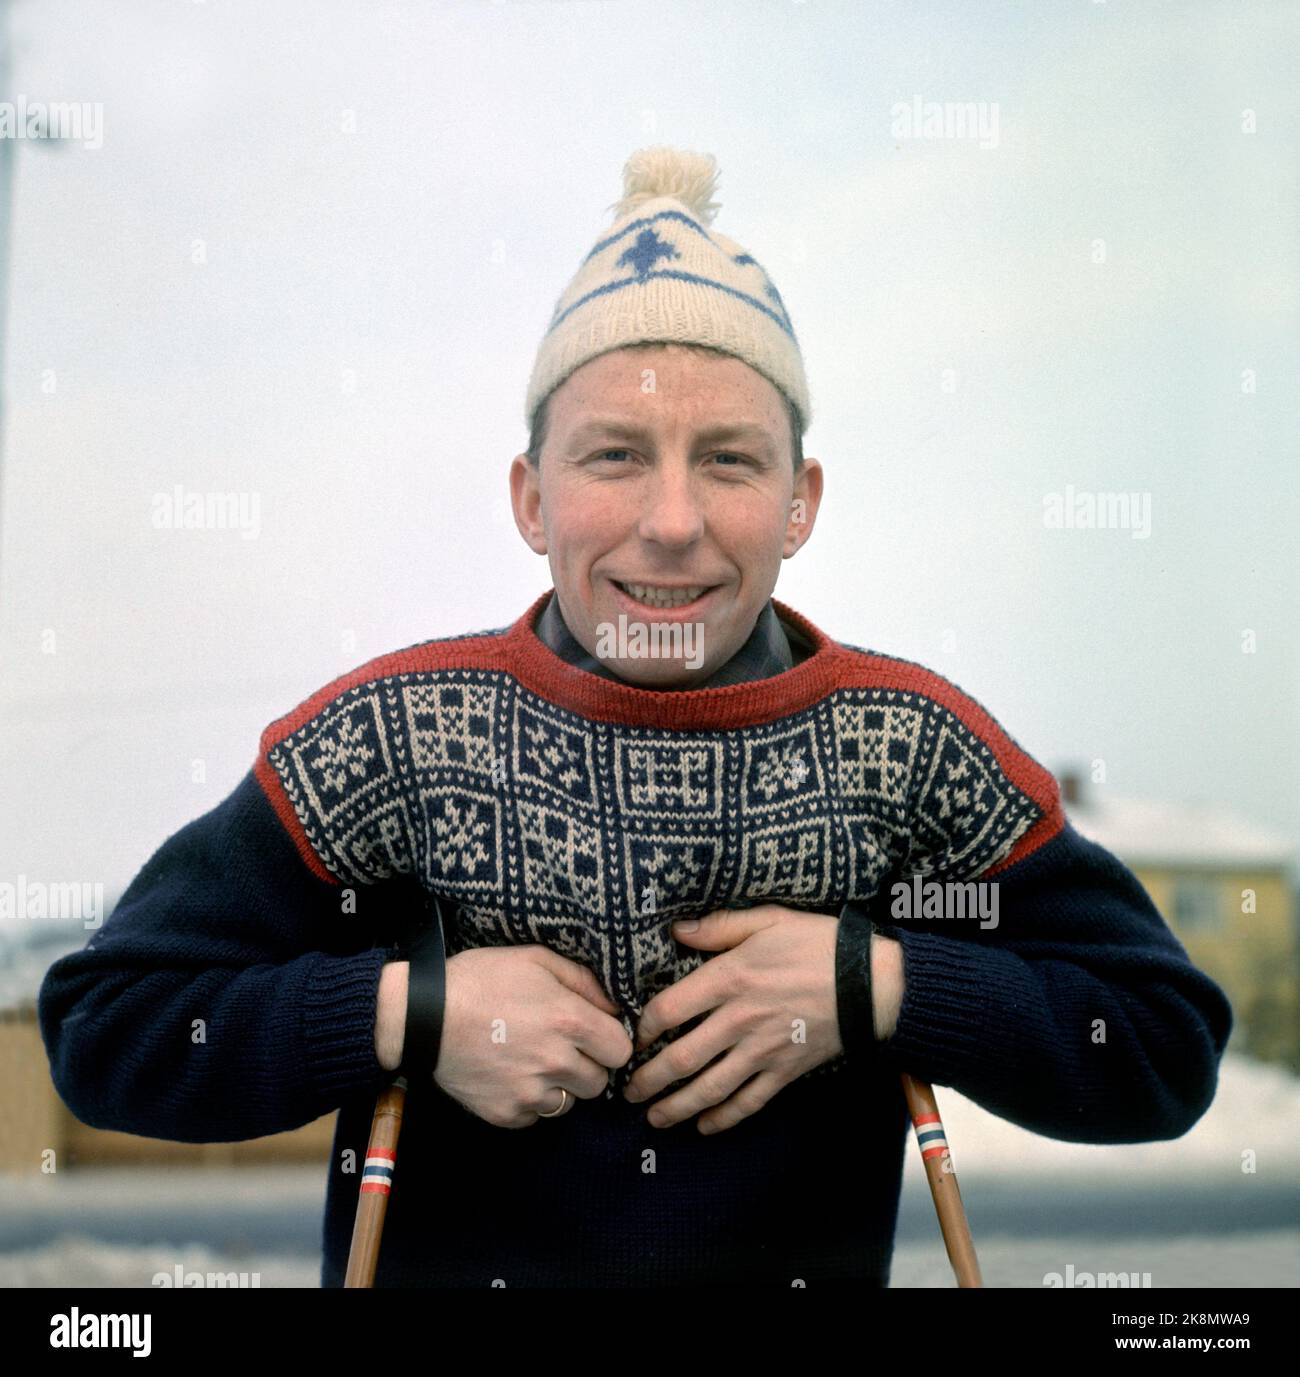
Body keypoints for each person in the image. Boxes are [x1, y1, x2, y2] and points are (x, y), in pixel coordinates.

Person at [38, 146, 1233, 1288]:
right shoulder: (391, 740)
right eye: (614, 455)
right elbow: (108, 1028)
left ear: (799, 502)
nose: (671, 520)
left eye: (727, 460)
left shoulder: (913, 748)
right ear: (531, 498)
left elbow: (1159, 1043)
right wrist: (413, 1011)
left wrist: (875, 988)